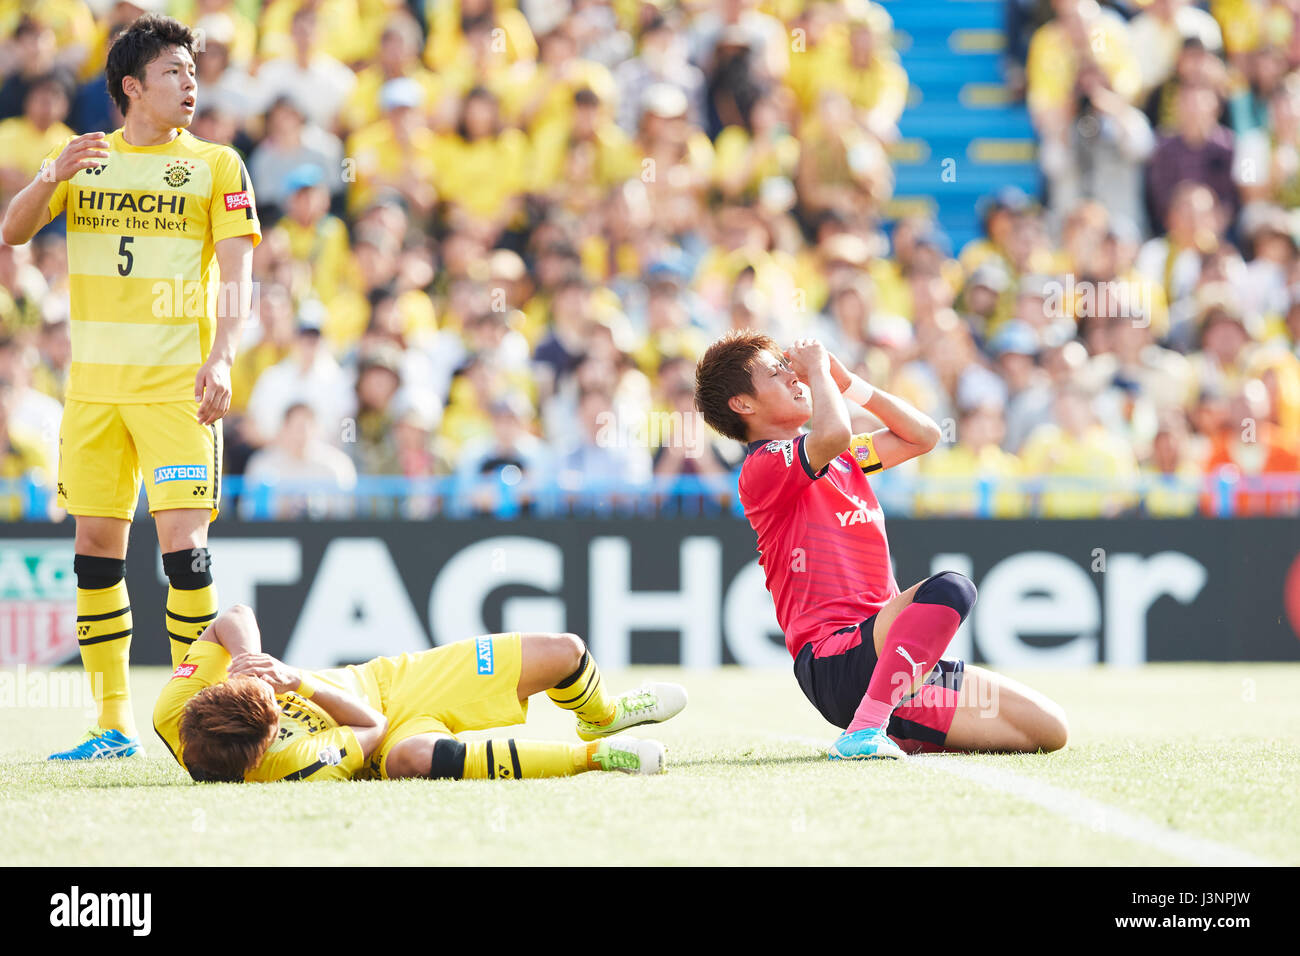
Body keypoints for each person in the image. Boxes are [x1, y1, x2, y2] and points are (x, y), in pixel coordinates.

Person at [0, 14, 260, 760]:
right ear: (131, 87)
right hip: (92, 396)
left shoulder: (216, 166)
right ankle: (111, 723)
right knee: (94, 552)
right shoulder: (83, 159)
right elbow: (13, 232)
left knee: (185, 553)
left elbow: (238, 278)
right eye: (175, 72)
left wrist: (224, 356)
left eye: (193, 71)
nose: (191, 83)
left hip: (177, 392)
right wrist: (50, 173)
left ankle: (194, 718)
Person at [693, 330, 1068, 760]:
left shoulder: (845, 457)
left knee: (1048, 730)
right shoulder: (764, 465)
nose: (793, 379)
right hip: (838, 661)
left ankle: (894, 728)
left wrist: (849, 381)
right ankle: (867, 727)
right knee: (951, 589)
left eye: (791, 370)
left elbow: (923, 436)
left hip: (890, 662)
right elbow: (832, 435)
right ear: (743, 405)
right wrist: (818, 370)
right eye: (778, 374)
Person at [153, 604, 688, 782]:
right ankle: (594, 755)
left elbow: (233, 616)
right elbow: (372, 727)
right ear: (257, 757)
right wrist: (305, 684)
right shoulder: (284, 765)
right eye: (277, 720)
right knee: (413, 757)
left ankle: (603, 715)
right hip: (383, 733)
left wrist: (248, 666)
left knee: (565, 650)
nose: (281, 705)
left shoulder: (175, 707)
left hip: (396, 678)